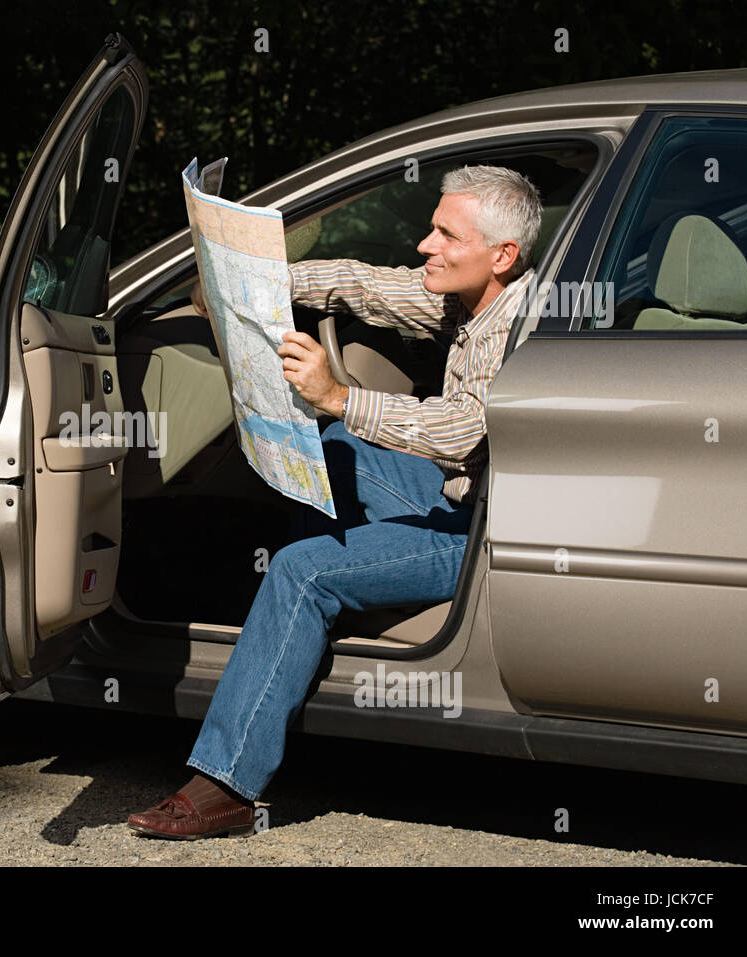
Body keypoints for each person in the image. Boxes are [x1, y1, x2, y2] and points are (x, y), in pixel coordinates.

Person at [127, 164, 543, 839]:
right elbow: (366, 286)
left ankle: (229, 782)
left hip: (482, 530)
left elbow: (465, 428)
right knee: (335, 452)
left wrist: (341, 398)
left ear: (502, 255)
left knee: (300, 568)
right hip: (457, 498)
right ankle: (294, 638)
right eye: (432, 228)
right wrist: (261, 286)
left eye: (446, 235)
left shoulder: (514, 329)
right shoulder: (473, 298)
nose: (424, 245)